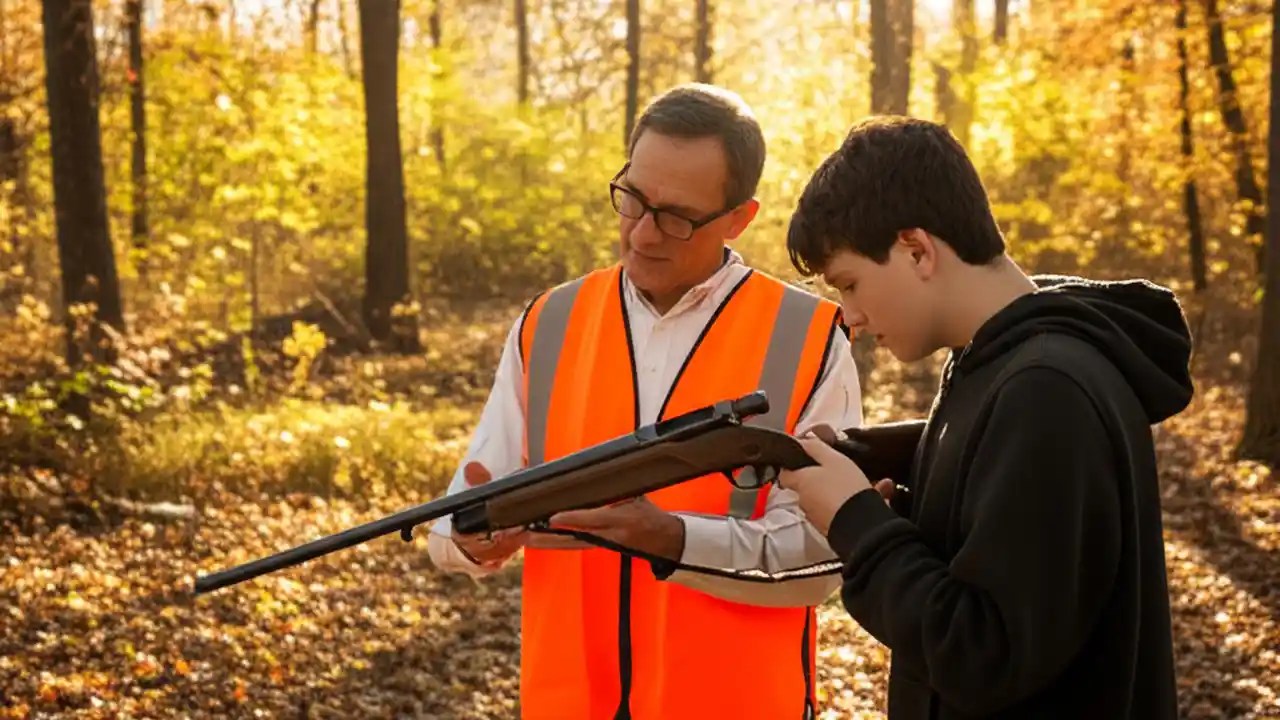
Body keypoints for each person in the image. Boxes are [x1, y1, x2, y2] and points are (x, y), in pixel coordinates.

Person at [426, 83, 864, 719]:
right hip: (568, 703)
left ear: (739, 217)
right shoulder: (549, 322)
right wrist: (473, 540)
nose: (643, 234)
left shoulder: (809, 336)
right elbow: (455, 517)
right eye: (632, 199)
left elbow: (824, 557)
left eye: (677, 217)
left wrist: (674, 539)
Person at [777, 116, 1192, 719]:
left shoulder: (1046, 388)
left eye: (849, 283)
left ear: (916, 249)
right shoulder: (994, 366)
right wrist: (866, 460)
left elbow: (984, 653)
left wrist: (856, 522)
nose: (849, 317)